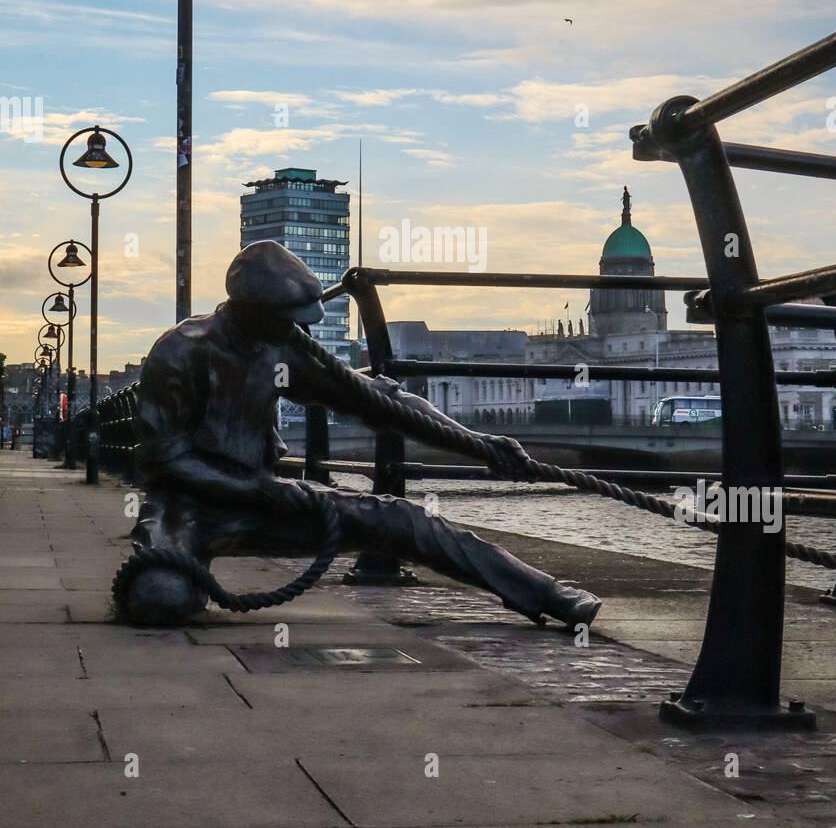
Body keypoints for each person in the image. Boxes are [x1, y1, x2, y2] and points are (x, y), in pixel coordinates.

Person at [126, 241, 602, 631]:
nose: (297, 327)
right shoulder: (180, 352)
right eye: (288, 316)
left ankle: (545, 594)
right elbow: (163, 462)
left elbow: (382, 403)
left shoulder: (281, 351)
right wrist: (261, 488)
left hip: (266, 504)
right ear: (253, 309)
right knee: (160, 600)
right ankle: (181, 569)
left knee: (405, 521)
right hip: (188, 508)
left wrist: (479, 445)